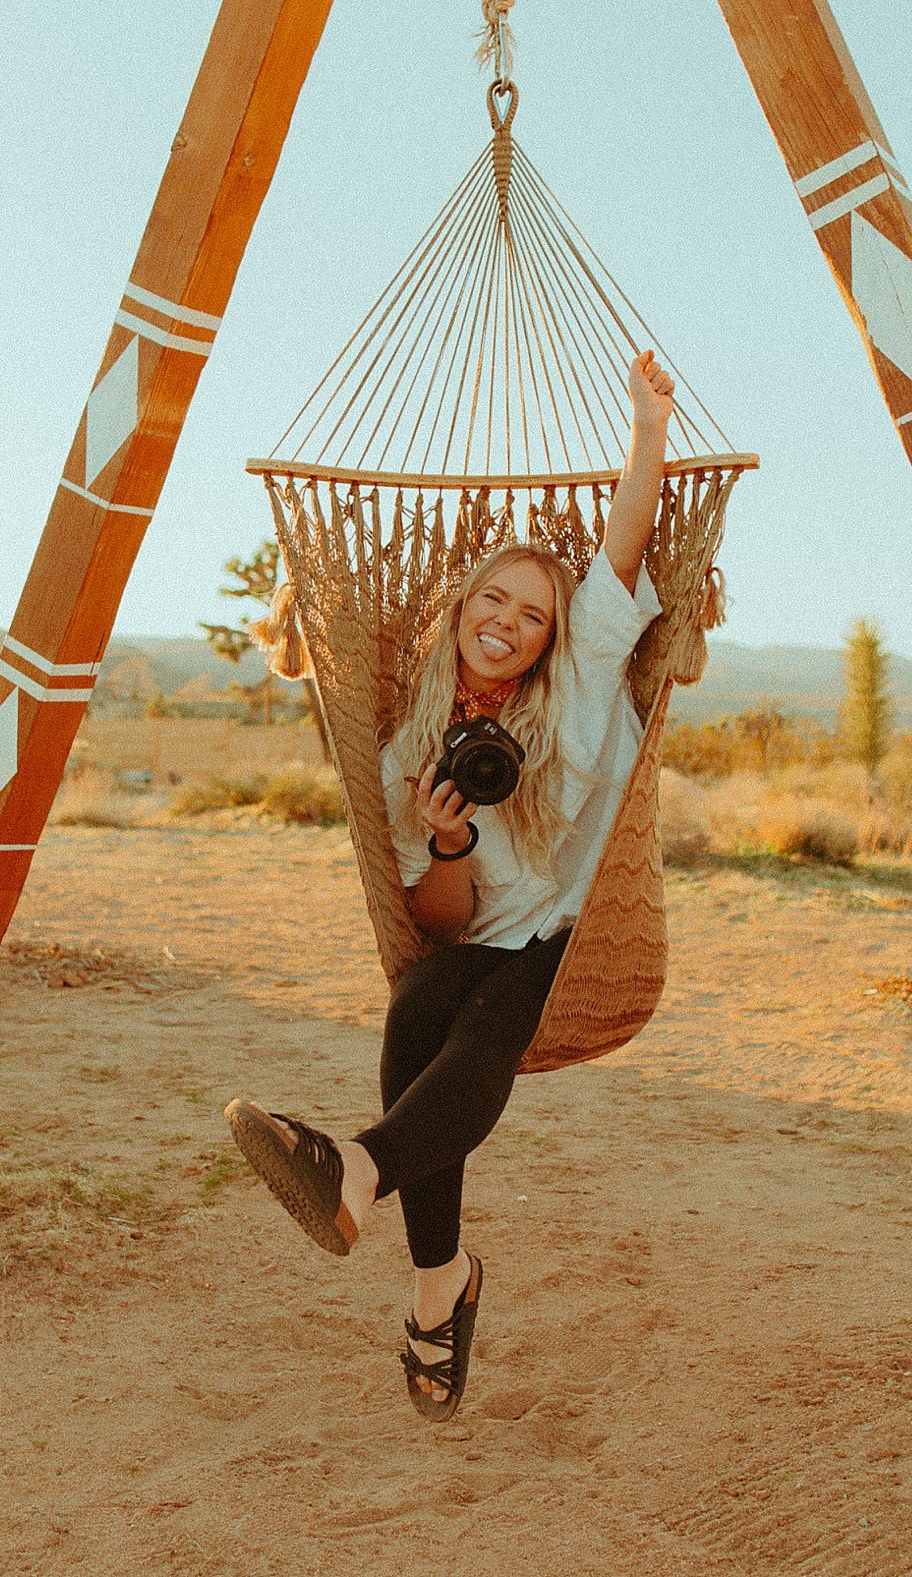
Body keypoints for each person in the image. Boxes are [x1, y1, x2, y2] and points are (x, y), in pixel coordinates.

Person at [225, 349, 675, 1420]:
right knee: (418, 1007)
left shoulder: (581, 680)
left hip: (579, 931)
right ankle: (440, 1287)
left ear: (554, 636)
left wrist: (647, 428)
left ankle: (358, 1170)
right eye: (494, 597)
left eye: (532, 613)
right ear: (461, 605)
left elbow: (622, 548)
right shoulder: (411, 753)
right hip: (485, 939)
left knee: (486, 1028)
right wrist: (448, 841)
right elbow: (436, 923)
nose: (510, 620)